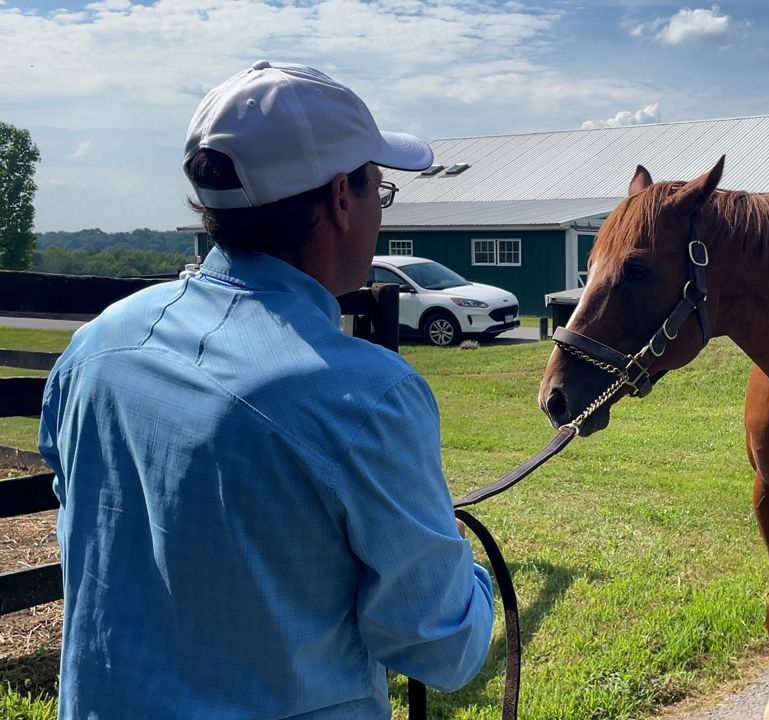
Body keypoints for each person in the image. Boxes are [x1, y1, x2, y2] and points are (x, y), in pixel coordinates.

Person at [38, 62, 494, 718]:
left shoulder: (98, 346)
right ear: (341, 197)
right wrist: (458, 561)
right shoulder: (367, 396)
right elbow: (442, 648)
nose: (378, 211)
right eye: (380, 190)